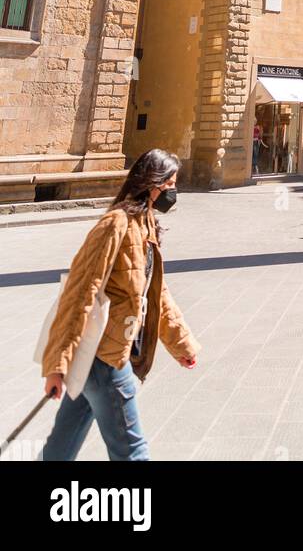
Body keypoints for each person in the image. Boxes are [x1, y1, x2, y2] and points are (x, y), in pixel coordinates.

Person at [40, 149, 198, 462]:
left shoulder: (145, 224)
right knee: (132, 451)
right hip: (105, 356)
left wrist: (182, 344)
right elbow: (80, 293)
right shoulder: (116, 224)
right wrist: (56, 365)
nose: (173, 193)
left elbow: (155, 294)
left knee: (62, 445)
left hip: (96, 356)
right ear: (152, 184)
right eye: (170, 184)